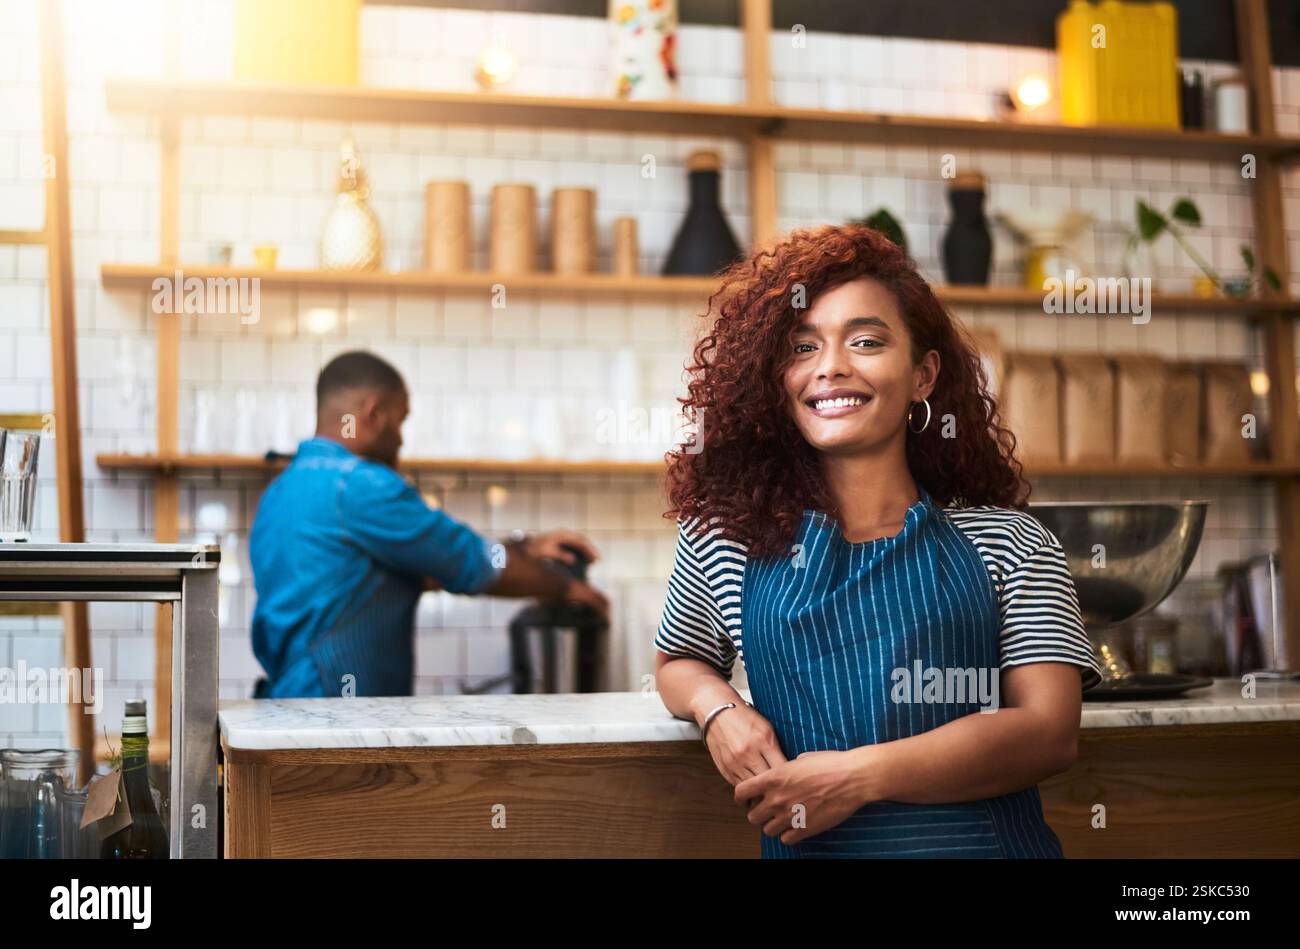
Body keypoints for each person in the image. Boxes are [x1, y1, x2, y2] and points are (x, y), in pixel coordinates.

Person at [653, 224, 1102, 858]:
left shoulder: (1009, 541)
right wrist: (716, 709)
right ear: (774, 380)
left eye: (865, 341)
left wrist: (857, 777)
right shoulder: (728, 539)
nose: (831, 367)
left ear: (923, 375)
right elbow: (679, 662)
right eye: (803, 347)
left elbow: (1048, 733)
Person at [250, 350, 607, 698]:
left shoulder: (282, 490)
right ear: (374, 413)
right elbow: (469, 563)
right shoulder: (361, 485)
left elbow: (426, 564)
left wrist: (525, 548)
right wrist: (564, 587)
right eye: (401, 420)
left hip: (288, 710)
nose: (402, 439)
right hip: (336, 726)